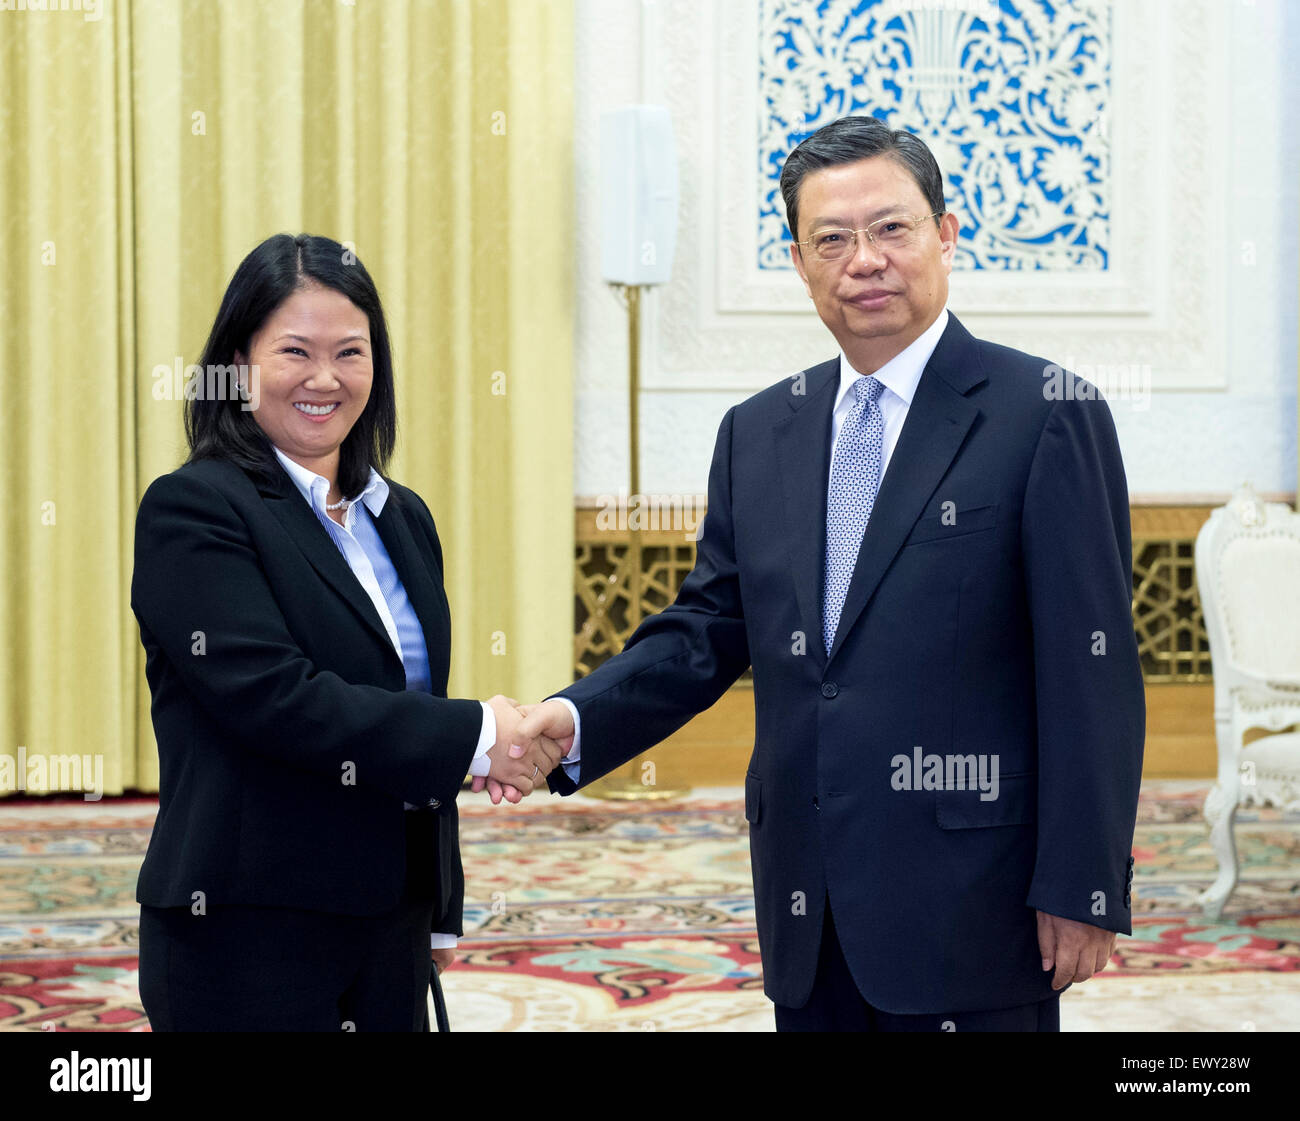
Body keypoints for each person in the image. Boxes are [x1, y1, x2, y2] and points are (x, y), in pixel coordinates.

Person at [500, 116, 1145, 1031]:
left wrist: (1082, 881)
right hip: (809, 903)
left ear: (946, 234)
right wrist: (570, 721)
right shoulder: (760, 431)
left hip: (976, 903)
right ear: (800, 264)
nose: (865, 260)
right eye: (831, 240)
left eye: (892, 228)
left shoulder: (1044, 413)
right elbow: (705, 630)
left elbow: (1094, 672)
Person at [131, 232, 560, 1031]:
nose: (325, 378)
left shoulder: (400, 517)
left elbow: (409, 701)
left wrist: (435, 903)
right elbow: (276, 699)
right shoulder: (193, 509)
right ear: (238, 362)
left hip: (386, 928)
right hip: (245, 931)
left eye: (350, 352)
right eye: (294, 350)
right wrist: (480, 732)